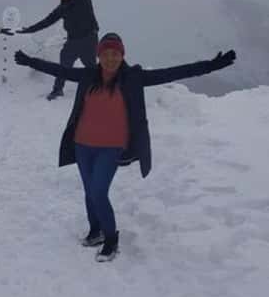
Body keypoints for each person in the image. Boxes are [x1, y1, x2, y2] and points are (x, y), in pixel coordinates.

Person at [14, 33, 236, 262]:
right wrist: (29, 60)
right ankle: (96, 230)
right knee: (90, 191)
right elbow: (58, 70)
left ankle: (111, 238)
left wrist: (212, 65)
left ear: (122, 55)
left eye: (115, 54)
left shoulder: (133, 77)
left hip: (111, 147)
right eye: (106, 54)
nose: (111, 58)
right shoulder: (89, 74)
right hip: (82, 144)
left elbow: (174, 72)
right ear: (99, 56)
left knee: (99, 191)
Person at [16, 0, 100, 101]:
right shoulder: (62, 8)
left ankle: (99, 89)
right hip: (72, 41)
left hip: (89, 39)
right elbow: (46, 21)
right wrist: (28, 30)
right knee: (64, 66)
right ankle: (57, 90)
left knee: (91, 67)